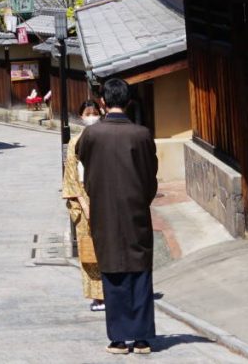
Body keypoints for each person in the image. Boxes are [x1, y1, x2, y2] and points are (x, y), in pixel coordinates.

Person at [75, 77, 161, 355]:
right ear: (129, 101)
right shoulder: (141, 134)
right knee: (139, 270)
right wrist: (141, 198)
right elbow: (150, 176)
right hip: (135, 209)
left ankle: (119, 339)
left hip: (105, 211)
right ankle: (142, 338)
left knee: (112, 272)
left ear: (102, 102)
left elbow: (83, 161)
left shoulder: (92, 135)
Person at [62, 98, 106, 309]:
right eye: (87, 114)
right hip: (83, 199)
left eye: (94, 113)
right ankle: (97, 297)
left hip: (105, 197)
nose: (91, 117)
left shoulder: (107, 138)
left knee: (108, 247)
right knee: (89, 250)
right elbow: (70, 176)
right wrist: (83, 203)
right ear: (81, 117)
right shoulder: (75, 142)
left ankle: (111, 293)